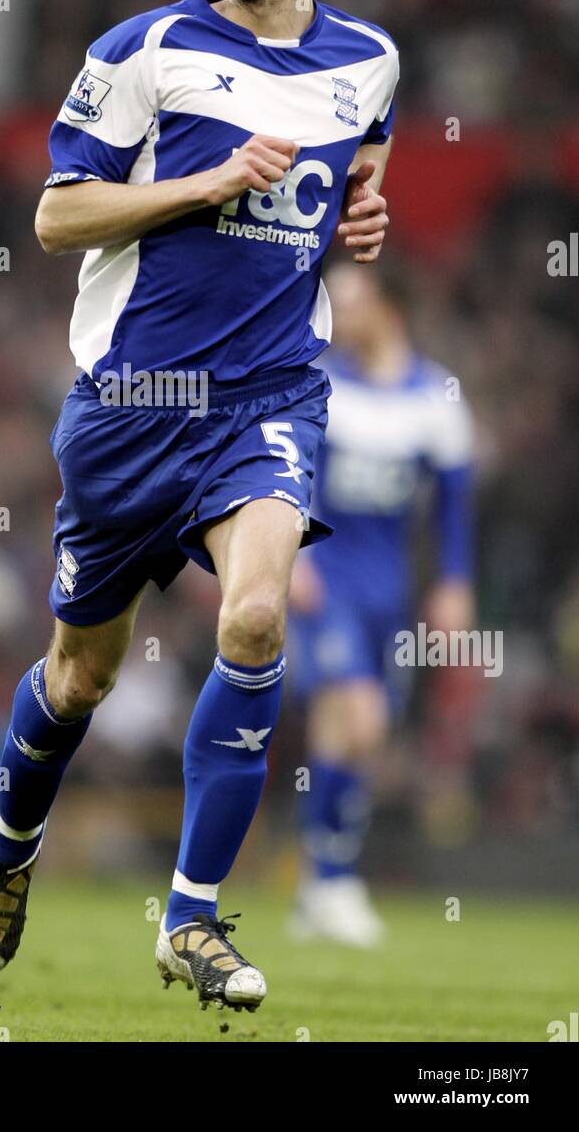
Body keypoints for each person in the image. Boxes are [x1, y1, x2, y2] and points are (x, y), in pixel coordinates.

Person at [0, 0, 398, 1015]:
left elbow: (359, 177)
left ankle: (192, 917)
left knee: (255, 619)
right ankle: (7, 843)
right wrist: (206, 179)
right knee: (80, 677)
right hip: (130, 410)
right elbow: (57, 215)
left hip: (267, 399)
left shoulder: (368, 59)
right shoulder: (141, 47)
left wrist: (363, 221)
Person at [286, 262, 475, 947]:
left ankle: (318, 883)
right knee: (358, 718)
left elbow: (453, 504)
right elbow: (293, 471)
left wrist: (455, 581)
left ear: (389, 306)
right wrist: (295, 553)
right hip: (327, 576)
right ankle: (336, 882)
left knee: (353, 735)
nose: (340, 314)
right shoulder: (322, 380)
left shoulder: (435, 397)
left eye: (354, 300)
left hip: (387, 590)